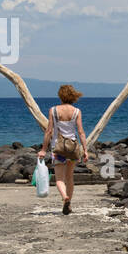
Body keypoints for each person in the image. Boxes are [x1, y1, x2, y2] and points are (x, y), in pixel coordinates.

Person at [38, 85, 88, 214]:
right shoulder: (77, 111)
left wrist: (43, 149)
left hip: (58, 148)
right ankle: (69, 203)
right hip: (72, 149)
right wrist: (85, 150)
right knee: (69, 177)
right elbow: (81, 132)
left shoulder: (53, 110)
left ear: (60, 96)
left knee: (59, 179)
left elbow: (49, 131)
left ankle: (64, 197)